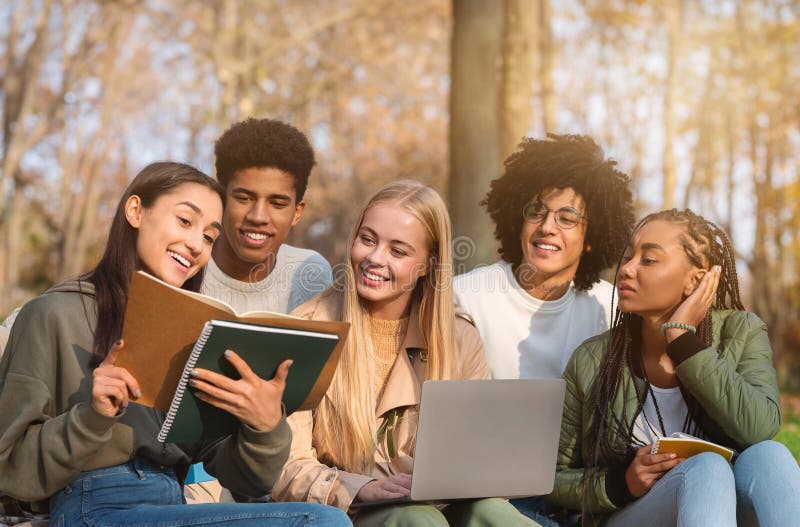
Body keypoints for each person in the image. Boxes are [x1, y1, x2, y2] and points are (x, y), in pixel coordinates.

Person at [0, 162, 350, 526]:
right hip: (93, 508)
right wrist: (91, 417)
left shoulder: (192, 331)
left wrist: (263, 427)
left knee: (321, 519)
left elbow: (246, 481)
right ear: (136, 211)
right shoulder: (52, 313)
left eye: (209, 236)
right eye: (185, 221)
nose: (196, 245)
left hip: (173, 504)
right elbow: (10, 467)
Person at [271, 180, 539, 526]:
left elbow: (478, 457)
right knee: (417, 521)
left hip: (440, 507)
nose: (374, 258)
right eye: (367, 239)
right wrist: (361, 487)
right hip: (352, 511)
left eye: (398, 251)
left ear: (428, 263)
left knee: (495, 515)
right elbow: (284, 465)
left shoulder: (460, 338)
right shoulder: (307, 330)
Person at [549, 209, 800, 526]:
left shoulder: (741, 331)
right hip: (633, 514)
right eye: (628, 257)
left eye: (648, 260)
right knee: (705, 466)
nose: (626, 269)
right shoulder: (592, 360)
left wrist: (682, 341)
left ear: (696, 279)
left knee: (770, 456)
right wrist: (621, 482)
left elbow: (760, 428)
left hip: (722, 508)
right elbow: (554, 479)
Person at [454, 133, 635, 381]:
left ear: (591, 238)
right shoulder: (466, 297)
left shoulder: (609, 309)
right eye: (536, 212)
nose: (547, 226)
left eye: (567, 218)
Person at [202, 117, 333, 314]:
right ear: (221, 199)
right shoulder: (187, 265)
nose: (258, 217)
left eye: (277, 204)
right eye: (244, 198)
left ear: (297, 213)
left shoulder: (310, 274)